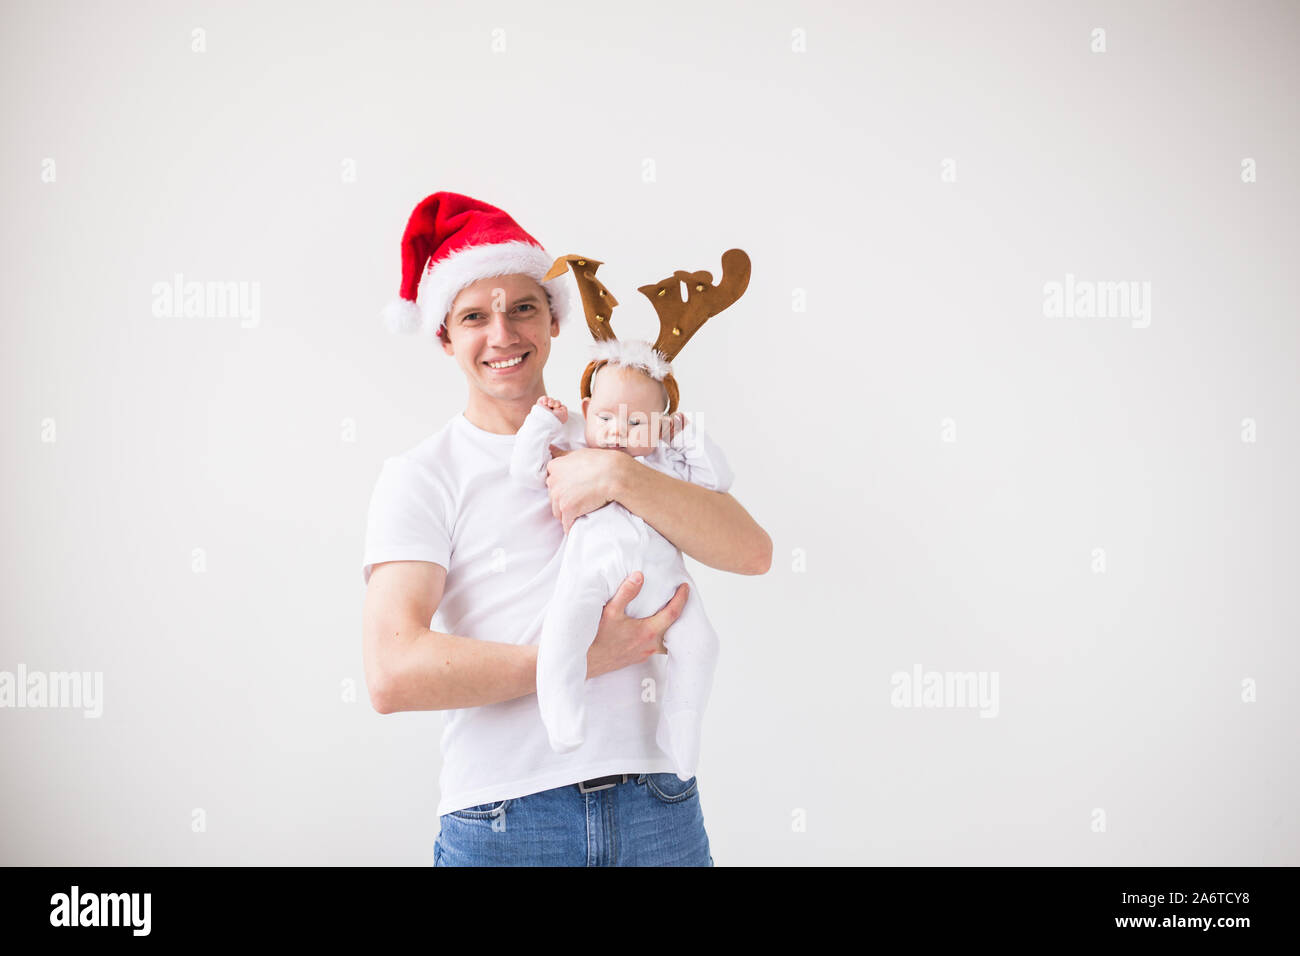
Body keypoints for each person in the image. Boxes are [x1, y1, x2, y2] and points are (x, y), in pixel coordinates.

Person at [361, 192, 771, 866]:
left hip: (657, 804)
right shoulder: (422, 474)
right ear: (445, 337)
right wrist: (581, 658)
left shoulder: (623, 432)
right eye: (473, 317)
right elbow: (392, 671)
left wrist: (615, 476)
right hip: (506, 816)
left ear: (554, 321)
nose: (502, 335)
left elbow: (752, 552)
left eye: (523, 307)